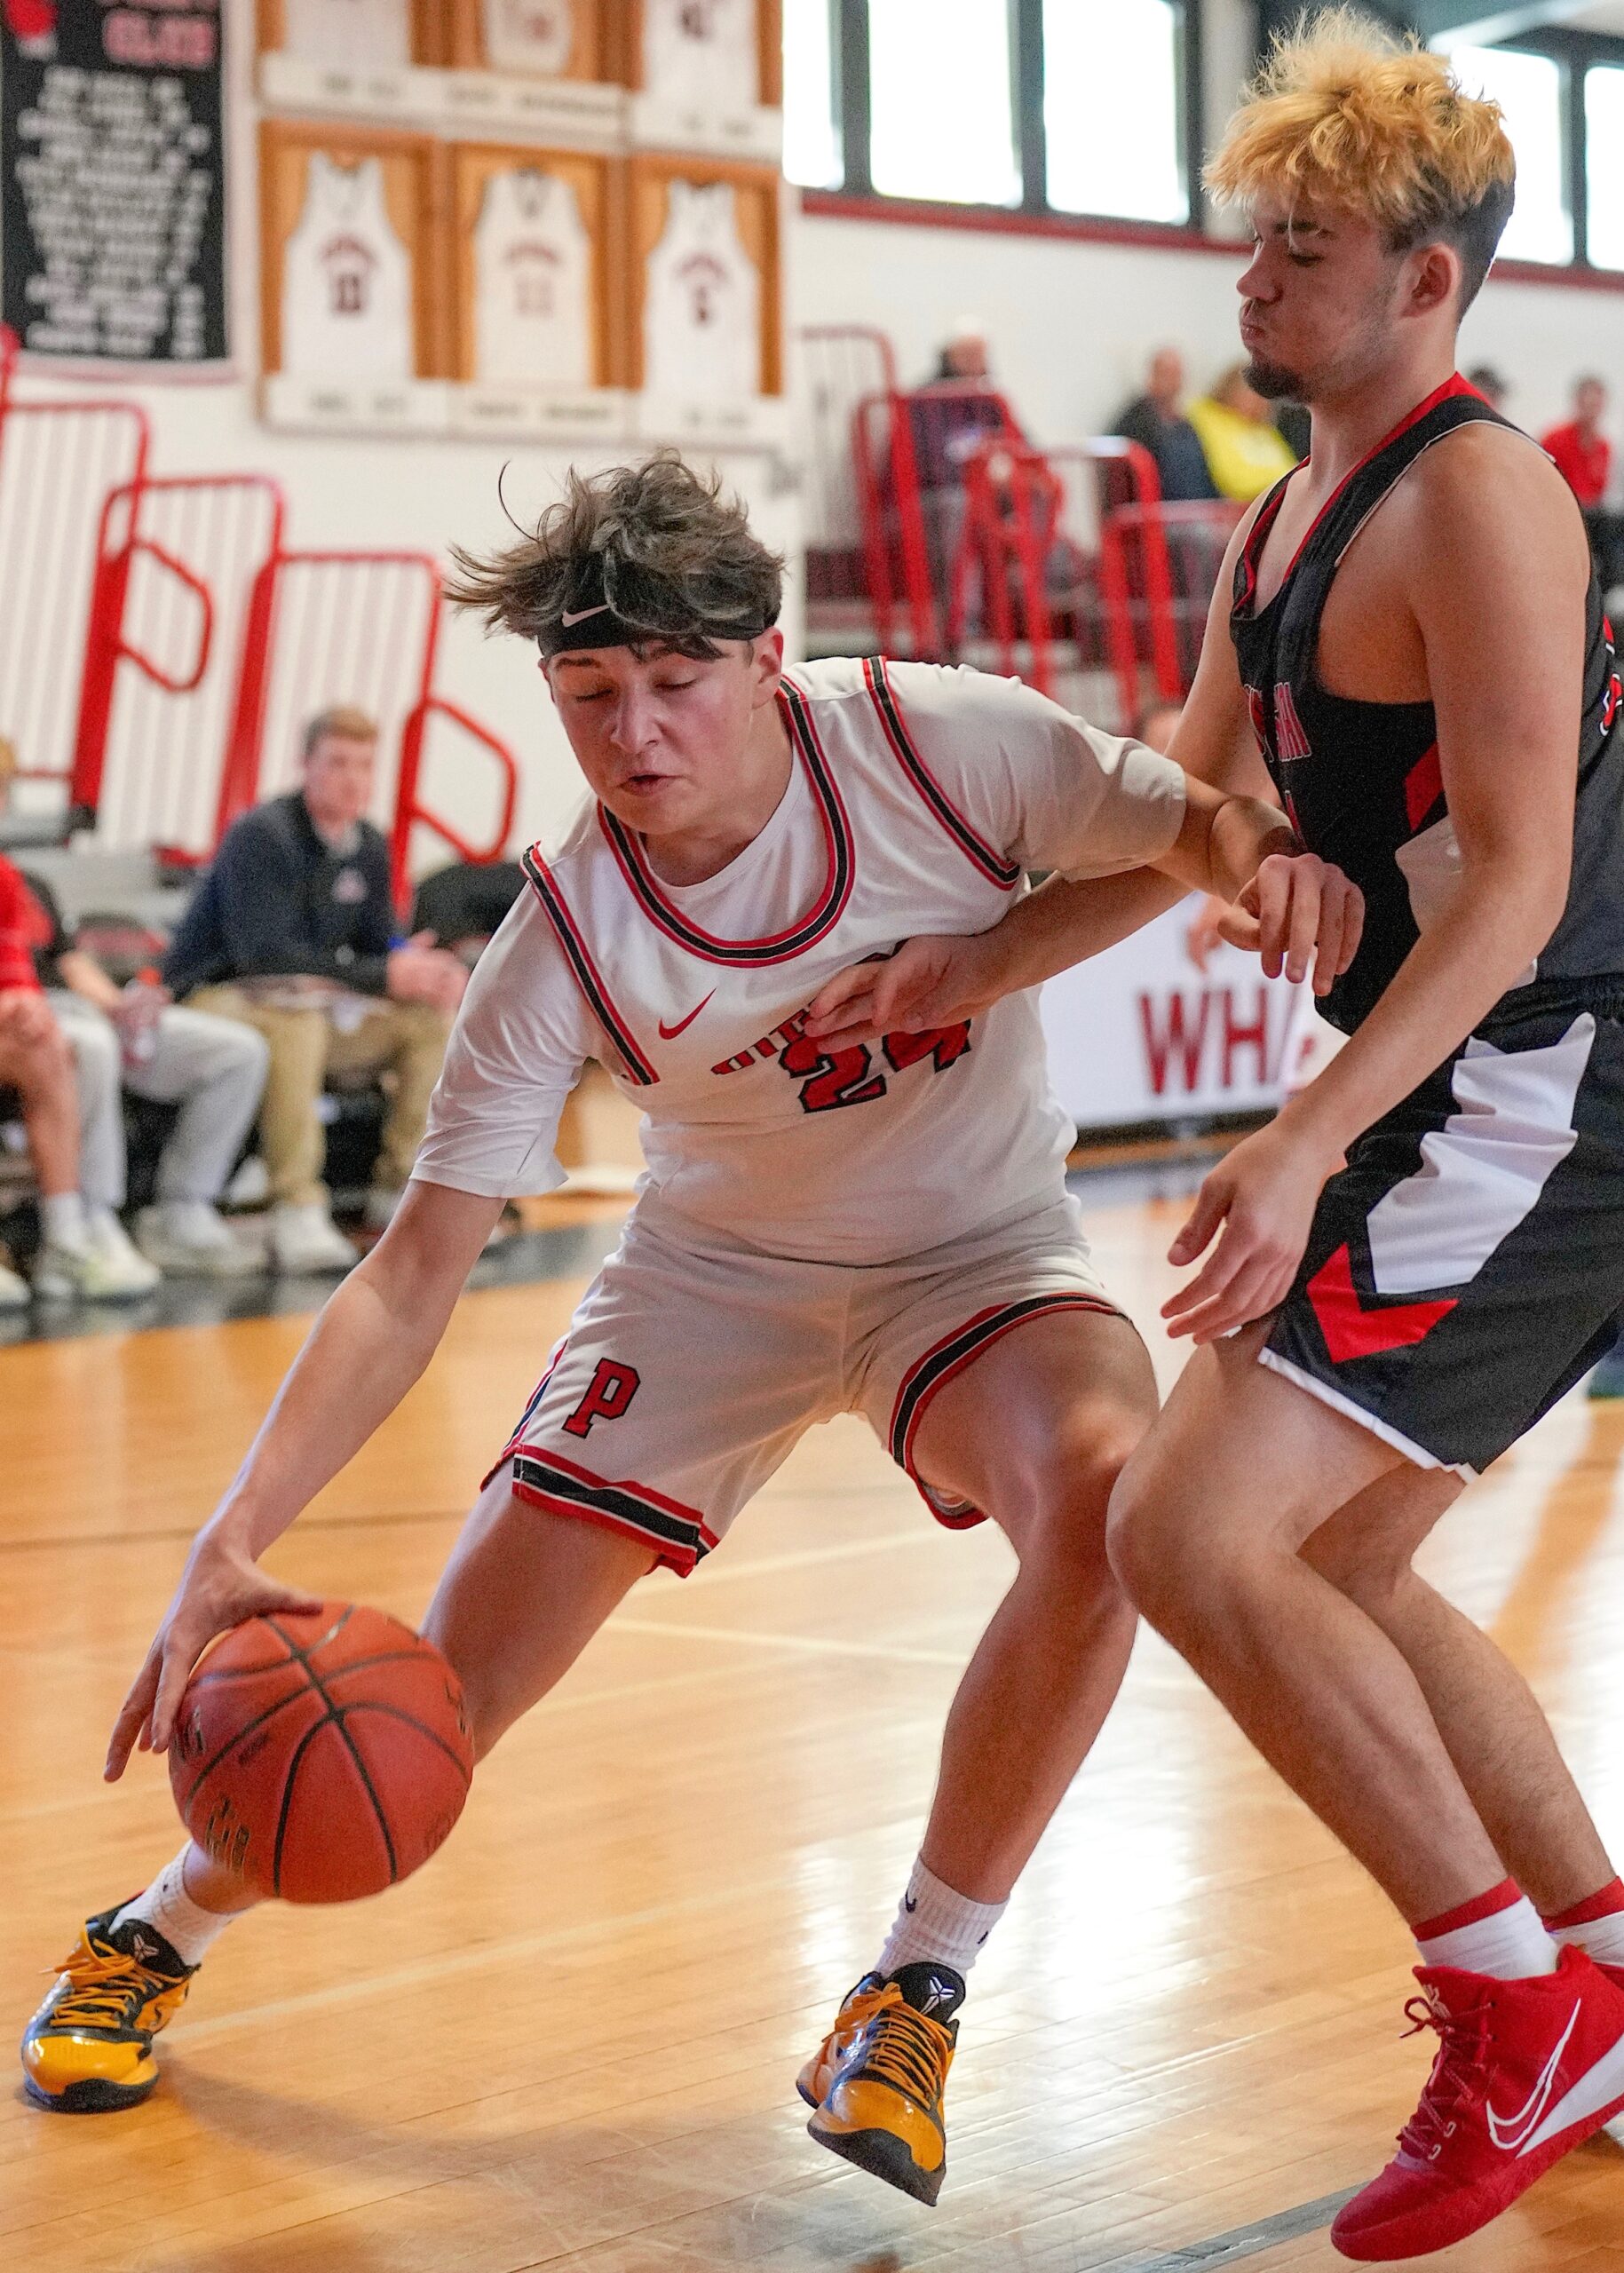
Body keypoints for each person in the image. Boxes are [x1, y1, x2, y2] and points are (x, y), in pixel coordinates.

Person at [20, 456, 1359, 2211]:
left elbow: (1184, 816)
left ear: (766, 659)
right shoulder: (561, 936)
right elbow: (412, 1271)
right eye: (589, 695)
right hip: (711, 1275)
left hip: (970, 1250)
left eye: (674, 682)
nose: (635, 732)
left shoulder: (936, 741)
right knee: (428, 1698)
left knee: (1108, 1496)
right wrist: (232, 1532)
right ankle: (157, 1921)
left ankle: (910, 1984)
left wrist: (1261, 865)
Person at [816, 19, 1624, 2257]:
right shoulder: (1277, 512)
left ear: (1430, 284)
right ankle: (1597, 1971)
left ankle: (1510, 2001)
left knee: (1191, 1530)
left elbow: (1530, 883)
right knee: (1325, 1560)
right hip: (1459, 1069)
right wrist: (973, 962)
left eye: (1309, 245)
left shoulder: (1482, 491)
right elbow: (1196, 808)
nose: (1251, 277)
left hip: (1556, 1064)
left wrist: (1288, 1137)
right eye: (1252, 233)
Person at [163, 708, 468, 1274]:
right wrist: (382, 975)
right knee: (295, 1016)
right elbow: (266, 957)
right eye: (336, 763)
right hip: (216, 994)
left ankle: (400, 1187)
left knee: (425, 1019)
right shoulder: (262, 834)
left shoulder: (368, 842)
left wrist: (416, 964)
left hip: (310, 1002)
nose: (351, 779)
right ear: (306, 766)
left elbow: (380, 939)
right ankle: (295, 1204)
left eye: (363, 766)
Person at [0, 737, 269, 1278]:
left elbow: (71, 962)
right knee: (87, 1044)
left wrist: (121, 1006)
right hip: (35, 1017)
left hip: (63, 1006)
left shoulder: (29, 883)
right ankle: (91, 1216)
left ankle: (184, 1206)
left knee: (238, 1051)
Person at [0, 851, 153, 1304]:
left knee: (46, 1045)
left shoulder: (9, 877)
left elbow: (19, 977)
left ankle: (66, 1235)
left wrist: (23, 1007)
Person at [1108, 348, 1222, 502]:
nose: (1173, 382)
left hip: (1194, 512)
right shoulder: (1134, 423)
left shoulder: (1185, 425)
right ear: (1151, 376)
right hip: (1154, 514)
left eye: (1177, 375)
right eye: (1166, 374)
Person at [1542, 376, 1622, 593]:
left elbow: (1599, 490)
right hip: (1561, 511)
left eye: (1596, 404)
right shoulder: (1555, 439)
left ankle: (1609, 590)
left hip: (1590, 516)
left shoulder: (1603, 446)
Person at [1186, 360, 1301, 500]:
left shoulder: (1263, 430)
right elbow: (1235, 482)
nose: (1261, 401)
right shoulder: (1211, 421)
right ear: (1231, 390)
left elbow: (1291, 470)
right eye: (1254, 393)